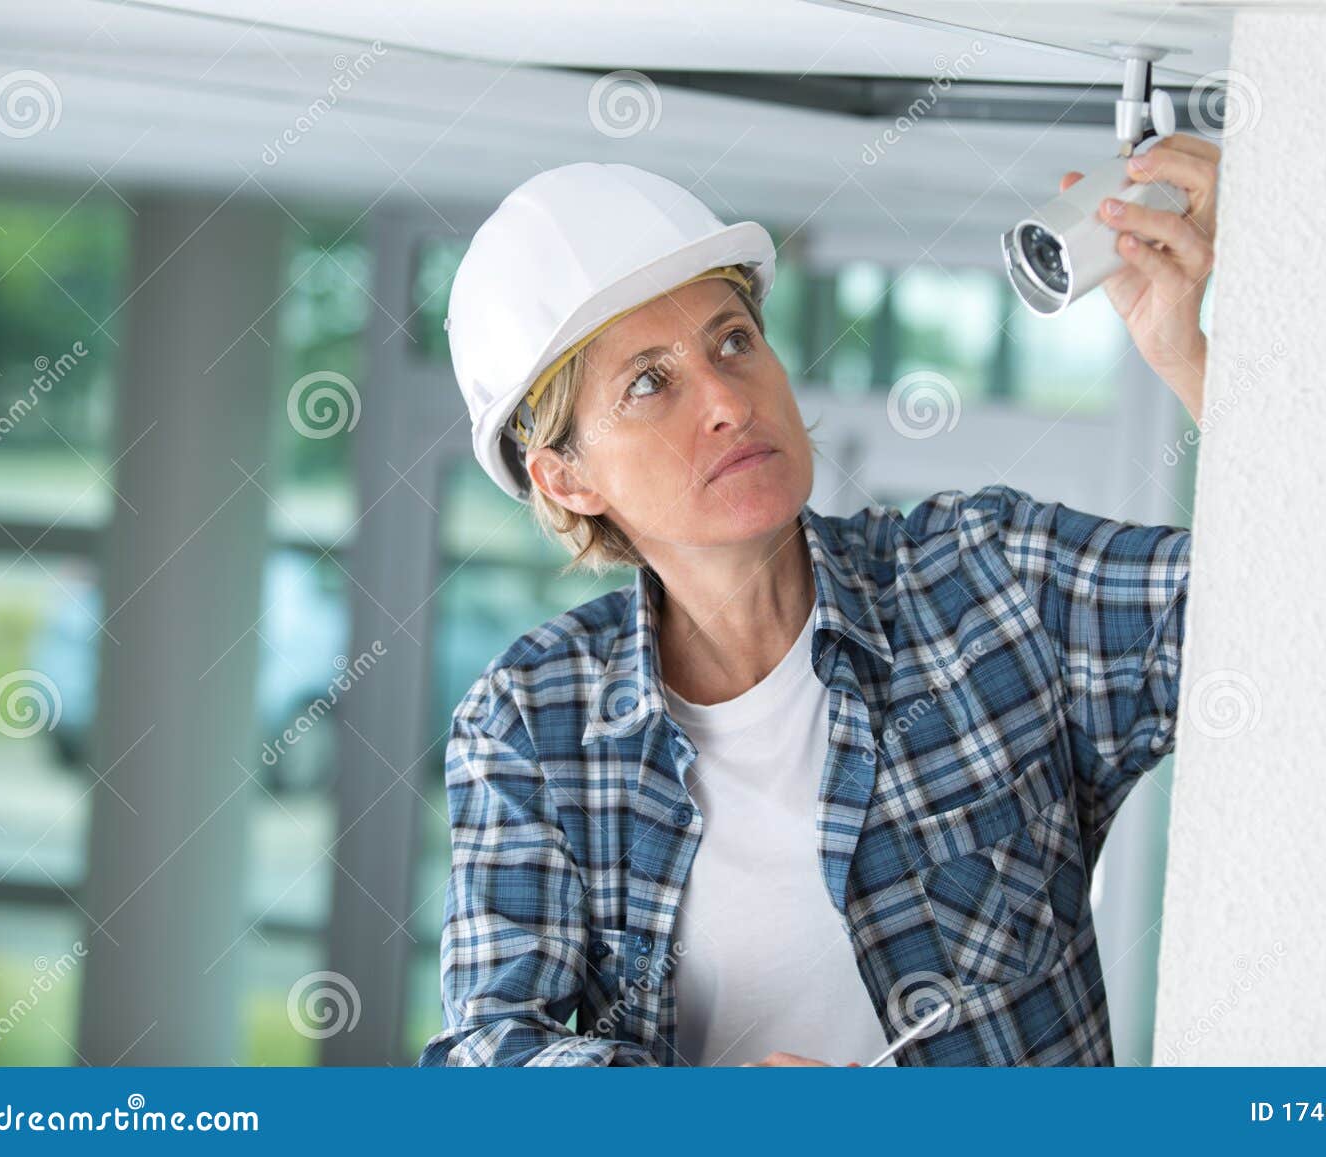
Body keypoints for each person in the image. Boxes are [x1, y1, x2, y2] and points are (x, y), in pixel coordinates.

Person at [417, 133, 1221, 1067]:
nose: (726, 398)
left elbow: (1305, 614)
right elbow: (484, 1058)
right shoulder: (531, 721)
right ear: (566, 479)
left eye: (733, 340)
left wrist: (1194, 359)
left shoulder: (992, 582)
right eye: (650, 382)